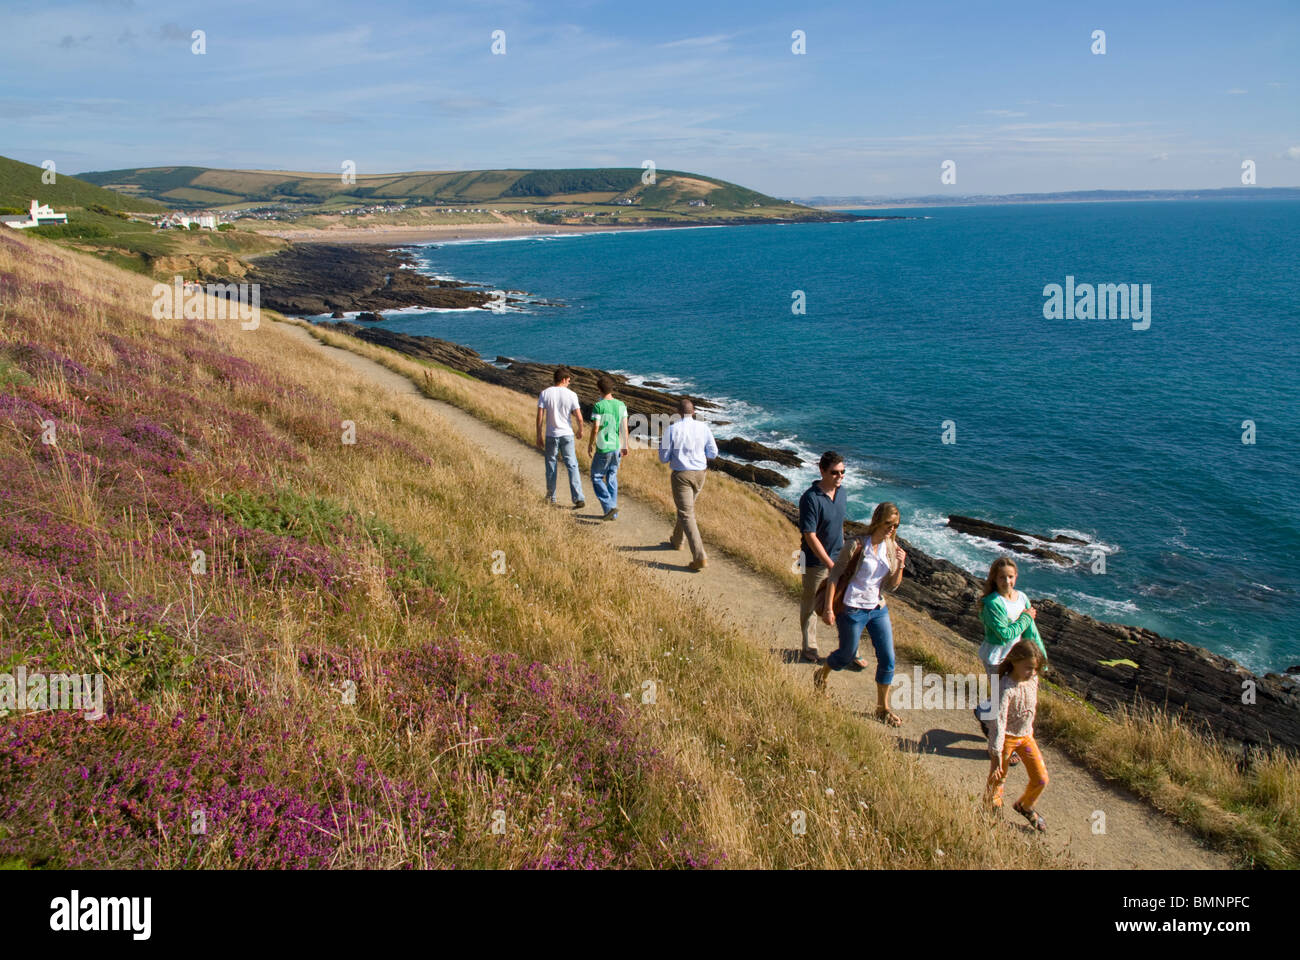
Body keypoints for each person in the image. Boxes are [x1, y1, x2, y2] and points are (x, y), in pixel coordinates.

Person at [813, 502, 907, 726]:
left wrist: (901, 565)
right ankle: (822, 673)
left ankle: (882, 708)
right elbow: (835, 576)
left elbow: (893, 585)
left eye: (895, 525)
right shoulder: (856, 545)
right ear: (876, 521)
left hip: (877, 608)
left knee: (888, 658)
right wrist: (828, 609)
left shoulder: (892, 547)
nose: (891, 529)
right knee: (846, 655)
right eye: (888, 524)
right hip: (852, 607)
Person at [973, 558, 1047, 766]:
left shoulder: (1022, 597)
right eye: (1002, 577)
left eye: (1010, 576)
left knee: (1009, 698)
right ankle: (999, 746)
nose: (1007, 581)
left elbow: (1031, 631)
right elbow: (1005, 634)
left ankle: (983, 712)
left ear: (1016, 577)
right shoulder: (992, 604)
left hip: (1017, 657)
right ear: (994, 579)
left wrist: (1041, 657)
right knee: (1002, 700)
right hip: (996, 657)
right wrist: (1025, 618)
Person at [985, 638, 1049, 832]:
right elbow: (998, 722)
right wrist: (996, 755)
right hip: (1006, 740)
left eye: (1035, 668)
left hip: (1026, 737)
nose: (1033, 672)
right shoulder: (1005, 688)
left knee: (1041, 778)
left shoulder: (1032, 679)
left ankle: (1025, 806)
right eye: (1028, 668)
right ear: (1014, 661)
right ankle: (989, 813)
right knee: (998, 780)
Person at [797, 452, 848, 663]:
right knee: (810, 604)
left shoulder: (842, 492)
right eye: (834, 473)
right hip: (811, 562)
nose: (840, 477)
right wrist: (828, 562)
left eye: (843, 472)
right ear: (822, 471)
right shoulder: (810, 498)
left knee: (845, 604)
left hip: (838, 558)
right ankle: (809, 646)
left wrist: (845, 555)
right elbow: (809, 535)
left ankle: (848, 648)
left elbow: (840, 526)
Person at [657, 398, 717, 570]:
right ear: (694, 412)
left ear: (678, 412)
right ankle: (677, 540)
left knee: (687, 514)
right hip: (700, 474)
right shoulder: (704, 427)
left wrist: (676, 455)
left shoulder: (672, 429)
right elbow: (713, 453)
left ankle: (700, 556)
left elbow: (663, 458)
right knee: (686, 510)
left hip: (682, 475)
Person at [536, 367, 585, 508]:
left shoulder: (545, 393)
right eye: (568, 380)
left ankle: (551, 497)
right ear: (563, 379)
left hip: (551, 434)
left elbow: (540, 417)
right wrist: (580, 430)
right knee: (572, 465)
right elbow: (580, 418)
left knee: (551, 465)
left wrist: (539, 434)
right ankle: (578, 497)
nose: (569, 383)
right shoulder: (572, 395)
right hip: (567, 434)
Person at [587, 375, 629, 520]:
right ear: (612, 389)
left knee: (596, 476)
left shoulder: (599, 406)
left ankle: (610, 506)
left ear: (599, 389)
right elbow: (624, 427)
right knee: (611, 477)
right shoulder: (621, 405)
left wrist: (590, 444)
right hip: (616, 446)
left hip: (603, 448)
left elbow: (595, 428)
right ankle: (613, 513)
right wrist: (625, 445)